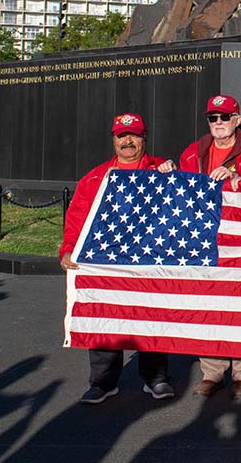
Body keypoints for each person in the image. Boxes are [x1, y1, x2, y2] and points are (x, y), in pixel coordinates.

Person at [59, 113, 174, 404]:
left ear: (144, 137)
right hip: (106, 260)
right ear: (113, 139)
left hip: (149, 260)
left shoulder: (162, 170)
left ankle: (156, 377)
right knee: (105, 317)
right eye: (122, 136)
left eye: (134, 135)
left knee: (150, 316)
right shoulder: (95, 177)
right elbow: (76, 218)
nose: (128, 141)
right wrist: (68, 249)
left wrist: (172, 176)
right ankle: (103, 382)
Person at [160, 94, 241, 401]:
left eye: (224, 117)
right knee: (208, 304)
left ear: (237, 119)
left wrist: (236, 177)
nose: (219, 123)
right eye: (213, 118)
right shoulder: (193, 152)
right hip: (203, 238)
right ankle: (212, 372)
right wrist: (168, 172)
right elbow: (180, 192)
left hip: (240, 237)